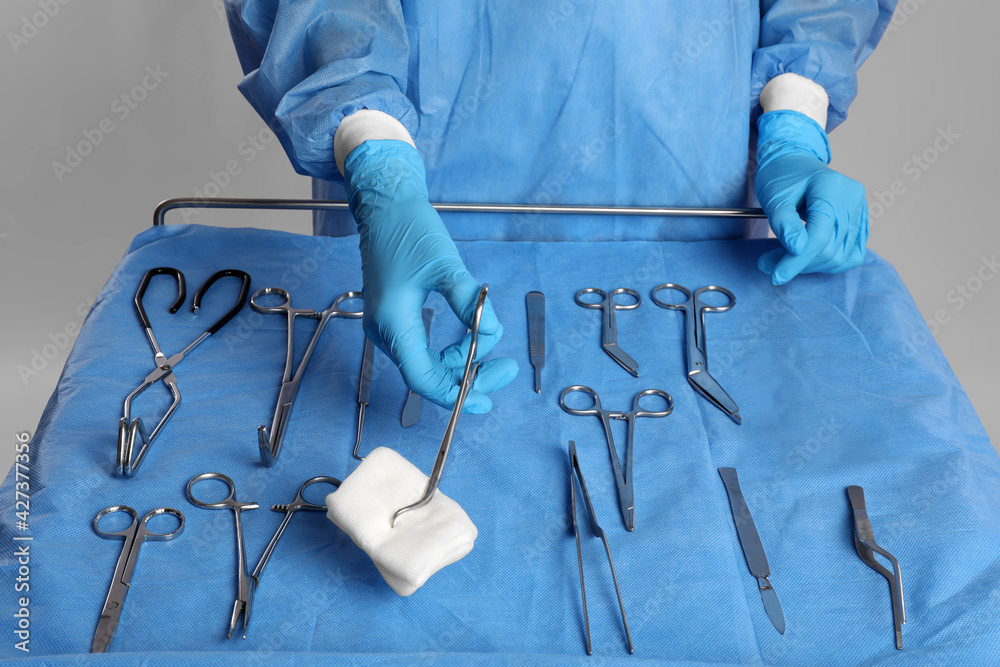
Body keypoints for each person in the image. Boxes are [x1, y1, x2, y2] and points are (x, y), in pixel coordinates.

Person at [222, 0, 896, 413]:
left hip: (688, 192)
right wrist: (377, 162)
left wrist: (796, 118)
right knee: (377, 443)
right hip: (424, 193)